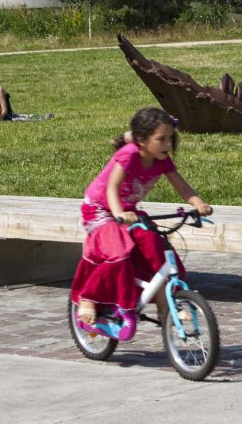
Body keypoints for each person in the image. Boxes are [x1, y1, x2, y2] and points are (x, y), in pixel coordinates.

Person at [70, 108, 212, 330]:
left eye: (169, 138)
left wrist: (198, 203)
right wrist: (118, 214)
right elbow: (111, 187)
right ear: (143, 141)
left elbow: (182, 186)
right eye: (161, 139)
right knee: (118, 252)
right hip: (100, 209)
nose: (167, 144)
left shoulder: (161, 160)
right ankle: (89, 298)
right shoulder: (129, 154)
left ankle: (166, 305)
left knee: (156, 247)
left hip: (127, 211)